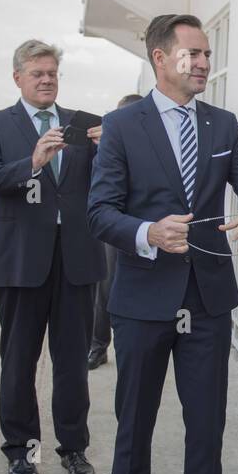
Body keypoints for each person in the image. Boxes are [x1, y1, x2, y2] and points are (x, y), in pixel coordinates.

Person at [88, 13, 238, 474]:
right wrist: (147, 234)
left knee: (207, 421)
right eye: (192, 53)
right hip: (143, 299)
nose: (202, 63)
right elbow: (100, 211)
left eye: (206, 52)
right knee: (134, 422)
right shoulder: (122, 125)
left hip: (208, 298)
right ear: (160, 58)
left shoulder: (223, 125)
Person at [0, 39, 106, 474]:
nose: (46, 79)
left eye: (52, 73)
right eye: (37, 73)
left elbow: (111, 183)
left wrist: (110, 151)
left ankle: (74, 448)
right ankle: (21, 450)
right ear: (17, 78)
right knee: (19, 359)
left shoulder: (84, 125)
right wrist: (31, 161)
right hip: (20, 261)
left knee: (72, 361)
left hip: (76, 260)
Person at [87, 93, 144, 371]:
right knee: (106, 286)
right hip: (115, 225)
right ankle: (98, 345)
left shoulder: (150, 142)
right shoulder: (108, 143)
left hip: (147, 227)